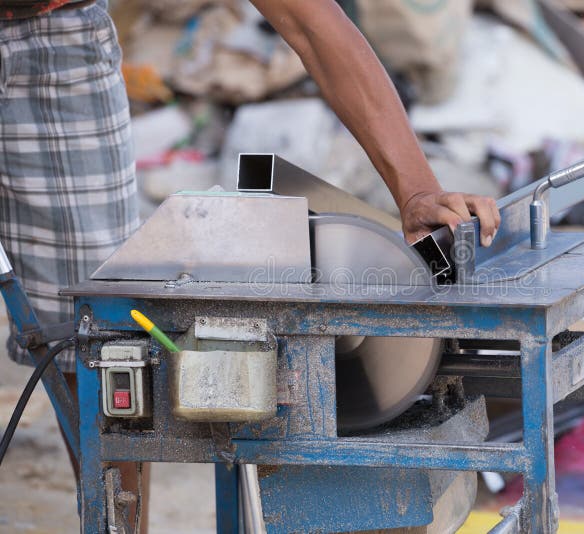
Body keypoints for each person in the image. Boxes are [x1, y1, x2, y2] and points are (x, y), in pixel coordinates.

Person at [0, 0, 501, 531]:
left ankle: (115, 525)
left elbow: (311, 23)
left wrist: (416, 186)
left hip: (54, 34)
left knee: (102, 339)